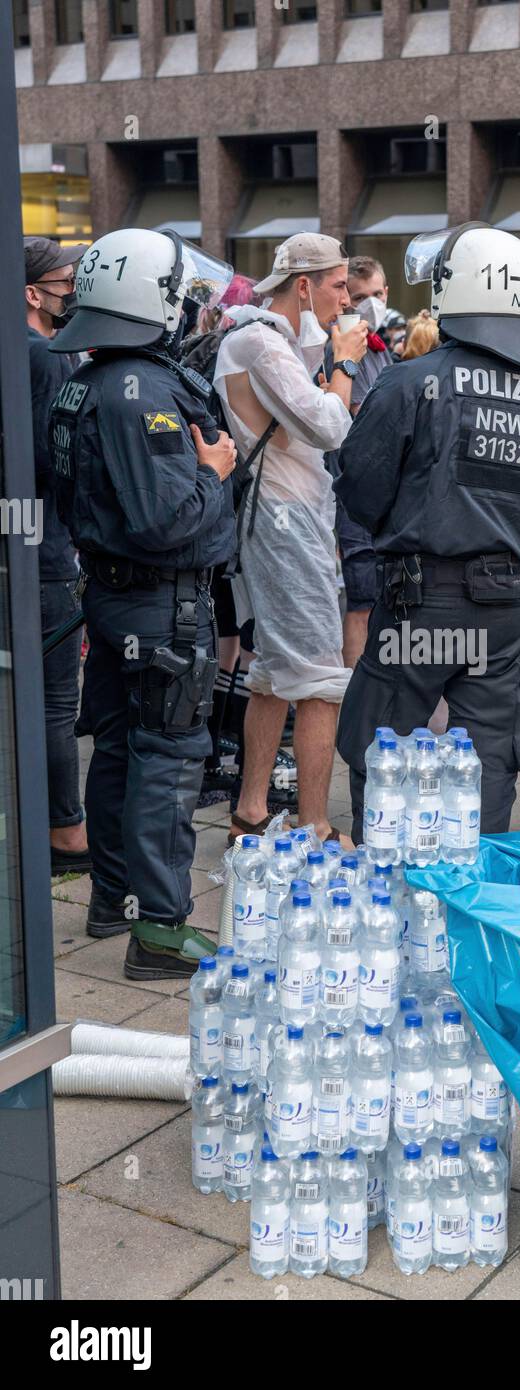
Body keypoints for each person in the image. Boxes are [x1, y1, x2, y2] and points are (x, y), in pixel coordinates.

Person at [334, 223, 520, 841]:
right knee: (490, 752)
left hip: (421, 603)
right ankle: (477, 883)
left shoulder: (410, 381)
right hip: (505, 607)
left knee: (383, 738)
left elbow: (359, 489)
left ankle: (387, 878)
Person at [48, 228, 238, 978]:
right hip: (161, 604)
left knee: (122, 749)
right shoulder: (143, 392)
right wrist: (215, 470)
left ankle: (110, 896)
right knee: (168, 761)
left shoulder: (86, 378)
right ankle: (160, 931)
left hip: (112, 598)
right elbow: (166, 521)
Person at [213, 233, 369, 844]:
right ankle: (315, 824)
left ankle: (251, 810)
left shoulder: (268, 338)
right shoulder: (258, 343)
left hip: (286, 514)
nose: (345, 300)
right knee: (321, 677)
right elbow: (330, 426)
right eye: (337, 286)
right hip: (282, 517)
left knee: (275, 671)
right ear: (303, 285)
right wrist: (346, 361)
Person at [24, 234, 91, 877]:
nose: (73, 288)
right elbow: (54, 459)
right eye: (64, 280)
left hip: (25, 541)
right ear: (31, 292)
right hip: (46, 547)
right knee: (53, 703)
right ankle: (66, 833)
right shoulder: (46, 355)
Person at [326, 254, 394, 670]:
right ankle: (356, 701)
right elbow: (358, 415)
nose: (370, 302)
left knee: (377, 599)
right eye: (359, 295)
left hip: (380, 490)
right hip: (354, 491)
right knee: (362, 600)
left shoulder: (378, 345)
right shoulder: (346, 346)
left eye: (376, 293)